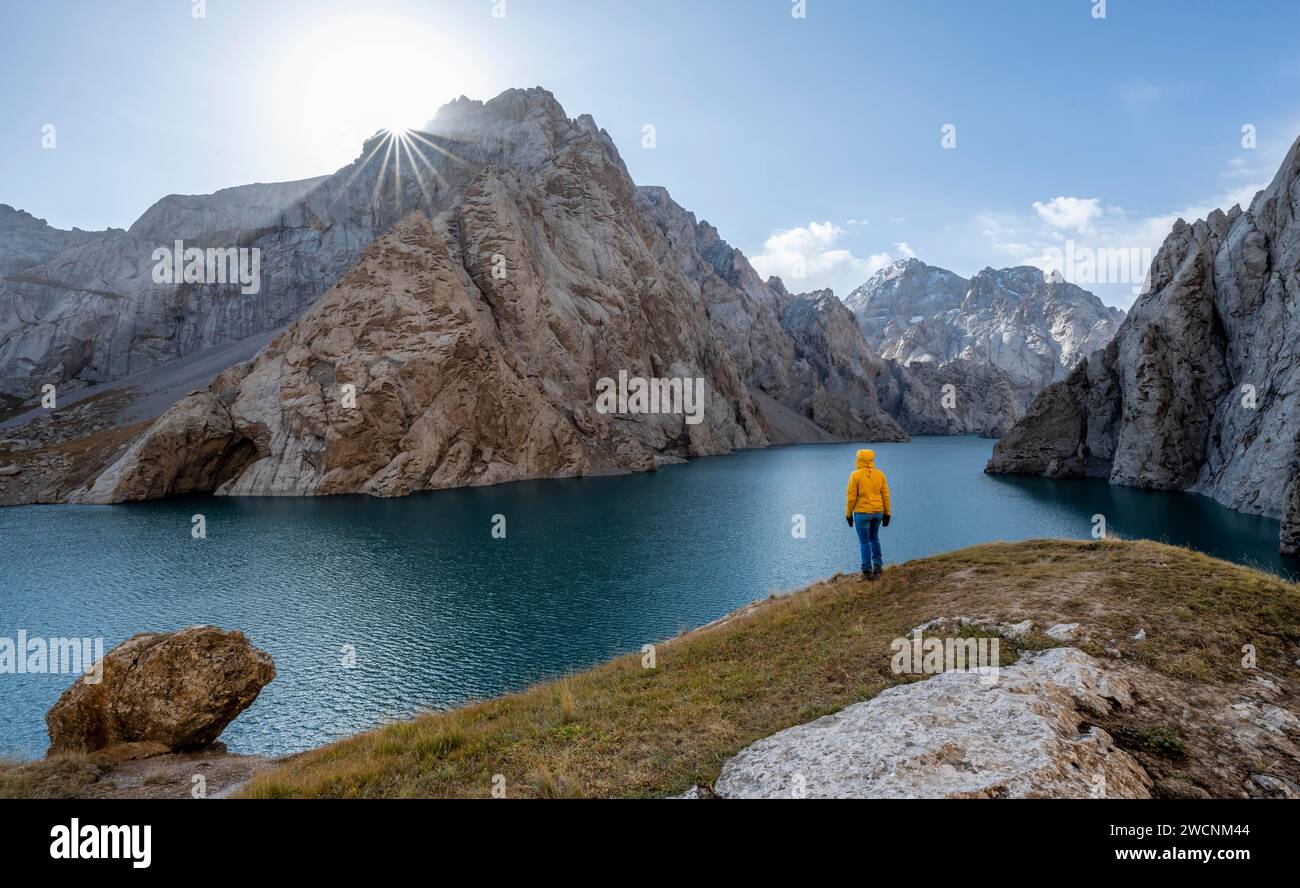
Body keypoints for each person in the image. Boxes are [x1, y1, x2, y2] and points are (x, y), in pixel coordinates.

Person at [844, 448, 891, 580]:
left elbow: (851, 497)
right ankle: (878, 566)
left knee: (864, 542)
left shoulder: (855, 475)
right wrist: (887, 513)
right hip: (878, 512)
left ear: (859, 459)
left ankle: (867, 570)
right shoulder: (880, 474)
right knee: (874, 538)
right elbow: (885, 495)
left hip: (862, 513)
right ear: (871, 459)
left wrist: (848, 514)